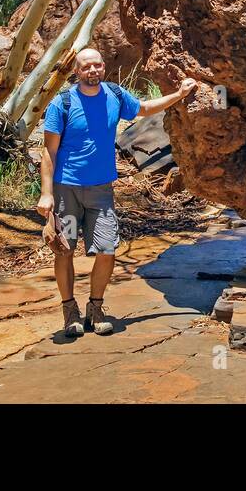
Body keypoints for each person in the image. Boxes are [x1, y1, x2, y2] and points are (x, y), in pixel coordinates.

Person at [36, 48, 197, 336]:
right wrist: (46, 194)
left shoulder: (114, 95)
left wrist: (179, 96)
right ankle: (69, 311)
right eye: (86, 67)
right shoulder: (61, 104)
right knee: (65, 250)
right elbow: (49, 152)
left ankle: (95, 308)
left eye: (97, 65)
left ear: (103, 67)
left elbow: (145, 108)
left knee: (107, 249)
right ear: (76, 70)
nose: (93, 71)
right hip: (66, 190)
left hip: (101, 191)